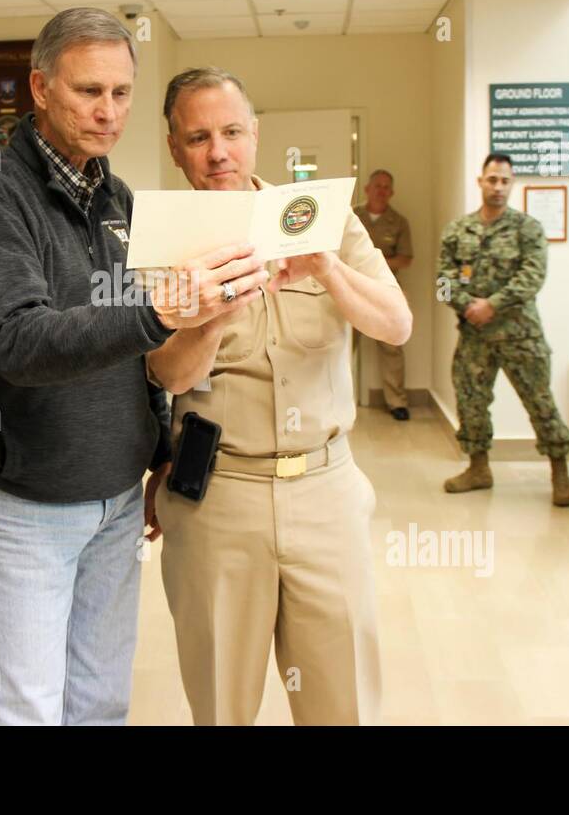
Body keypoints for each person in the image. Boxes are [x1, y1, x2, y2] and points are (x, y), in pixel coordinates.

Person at [0, 9, 266, 725]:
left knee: (99, 700)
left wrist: (155, 449)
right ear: (40, 88)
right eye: (89, 91)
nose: (108, 111)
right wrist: (163, 311)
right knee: (25, 706)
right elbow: (20, 343)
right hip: (25, 499)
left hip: (116, 498)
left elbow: (139, 363)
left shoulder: (117, 200)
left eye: (121, 94)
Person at [148, 67, 411, 725]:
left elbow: (396, 323)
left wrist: (325, 265)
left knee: (341, 700)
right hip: (218, 500)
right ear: (175, 146)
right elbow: (169, 376)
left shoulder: (323, 218)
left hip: (326, 491)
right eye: (199, 136)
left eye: (233, 132)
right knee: (221, 703)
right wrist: (213, 315)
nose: (219, 152)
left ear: (255, 135)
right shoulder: (159, 240)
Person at [438, 153, 569, 507]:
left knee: (540, 403)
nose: (498, 187)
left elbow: (532, 276)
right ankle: (478, 468)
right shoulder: (457, 230)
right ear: (480, 181)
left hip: (520, 336)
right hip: (474, 336)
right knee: (471, 402)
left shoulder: (527, 228)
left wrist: (492, 305)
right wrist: (469, 306)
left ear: (512, 184)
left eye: (505, 181)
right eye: (492, 180)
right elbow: (443, 280)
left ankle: (560, 471)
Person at [352, 168, 414, 419]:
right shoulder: (352, 215)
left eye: (386, 187)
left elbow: (406, 258)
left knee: (392, 346)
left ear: (392, 193)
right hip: (352, 289)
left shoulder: (399, 222)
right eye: (377, 185)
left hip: (383, 291)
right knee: (341, 344)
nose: (381, 190)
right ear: (367, 189)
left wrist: (375, 263)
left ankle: (397, 401)